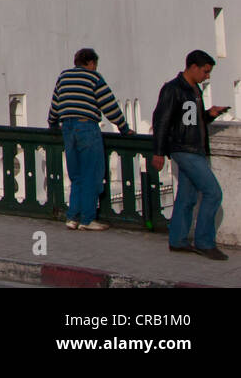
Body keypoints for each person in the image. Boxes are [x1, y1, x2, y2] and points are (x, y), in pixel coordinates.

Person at [152, 50, 230, 260]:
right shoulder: (173, 89)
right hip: (184, 149)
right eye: (205, 72)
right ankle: (204, 242)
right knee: (213, 193)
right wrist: (158, 152)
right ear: (193, 67)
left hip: (193, 149)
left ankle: (177, 240)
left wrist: (209, 115)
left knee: (187, 197)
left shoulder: (193, 90)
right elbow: (161, 121)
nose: (207, 76)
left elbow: (191, 121)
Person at [47, 47, 132, 231]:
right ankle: (87, 219)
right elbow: (108, 104)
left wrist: (52, 123)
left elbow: (56, 102)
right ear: (91, 63)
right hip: (86, 126)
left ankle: (72, 217)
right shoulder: (94, 78)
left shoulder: (64, 76)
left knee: (76, 175)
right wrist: (123, 127)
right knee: (91, 174)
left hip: (67, 128)